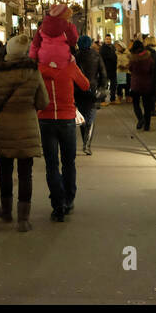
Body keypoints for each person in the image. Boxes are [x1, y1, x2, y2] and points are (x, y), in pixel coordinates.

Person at [0, 33, 48, 232]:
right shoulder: (33, 72)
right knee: (25, 173)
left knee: (5, 170)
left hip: (3, 127)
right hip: (27, 126)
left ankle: (6, 210)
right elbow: (43, 102)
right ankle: (23, 219)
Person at [37, 36, 90, 222]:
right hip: (67, 119)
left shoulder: (39, 68)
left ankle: (57, 203)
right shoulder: (69, 66)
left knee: (51, 164)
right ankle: (68, 198)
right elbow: (85, 85)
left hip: (45, 119)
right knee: (69, 162)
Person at [74, 35, 107, 155]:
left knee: (82, 116)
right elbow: (103, 74)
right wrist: (102, 87)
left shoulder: (75, 57)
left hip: (78, 91)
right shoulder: (96, 56)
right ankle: (87, 144)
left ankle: (85, 141)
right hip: (92, 89)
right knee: (91, 117)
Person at [128, 40, 155, 131]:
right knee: (147, 105)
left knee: (136, 104)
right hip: (147, 84)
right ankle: (147, 125)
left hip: (136, 84)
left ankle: (140, 119)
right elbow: (152, 69)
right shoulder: (149, 57)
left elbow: (130, 69)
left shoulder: (133, 58)